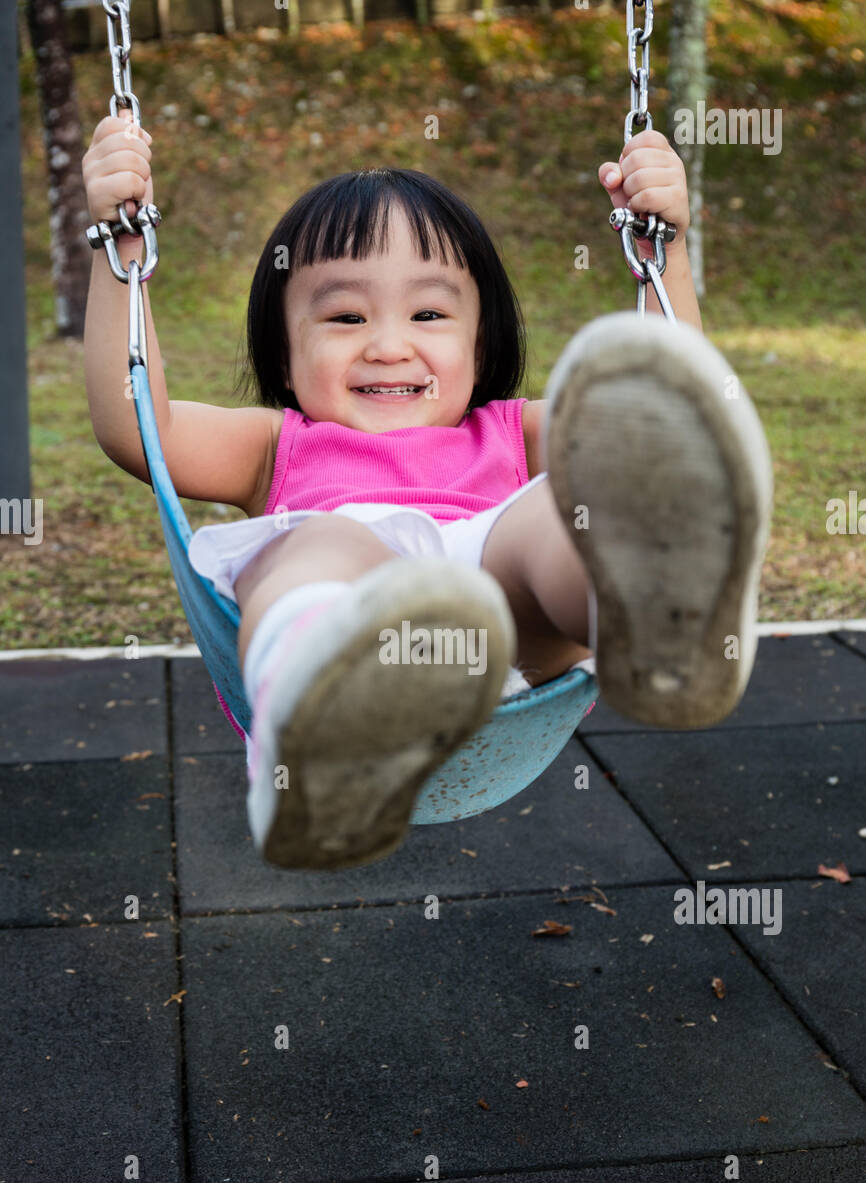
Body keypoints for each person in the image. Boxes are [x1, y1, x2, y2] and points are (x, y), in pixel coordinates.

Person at [82, 116, 772, 872]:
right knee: (321, 547)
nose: (388, 344)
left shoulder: (514, 432)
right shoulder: (274, 446)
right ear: (283, 355)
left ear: (480, 346)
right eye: (345, 316)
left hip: (504, 631)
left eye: (430, 314)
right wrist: (120, 248)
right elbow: (136, 424)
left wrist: (660, 253)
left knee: (562, 510)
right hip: (358, 605)